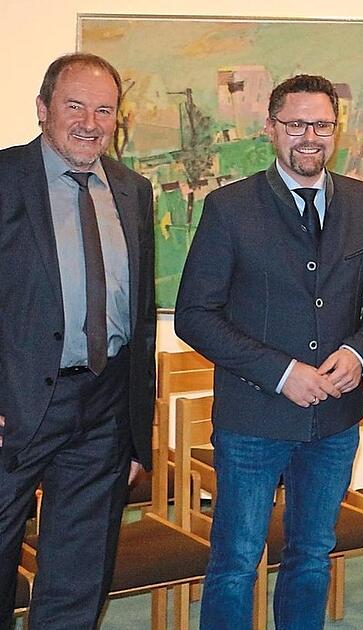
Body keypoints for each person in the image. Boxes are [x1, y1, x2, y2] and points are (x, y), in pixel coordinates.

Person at [175, 74, 363, 629]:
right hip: (253, 419)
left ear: (335, 131)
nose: (309, 137)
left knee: (311, 557)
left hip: (334, 421)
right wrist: (281, 374)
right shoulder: (229, 208)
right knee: (234, 563)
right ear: (271, 129)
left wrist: (359, 352)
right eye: (296, 124)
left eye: (321, 125)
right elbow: (194, 316)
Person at [0, 52, 155, 627]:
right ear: (43, 110)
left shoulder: (134, 191)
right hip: (14, 405)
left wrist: (139, 427)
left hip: (104, 403)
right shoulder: (4, 178)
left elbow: (140, 323)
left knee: (81, 568)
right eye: (74, 106)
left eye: (105, 110)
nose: (91, 122)